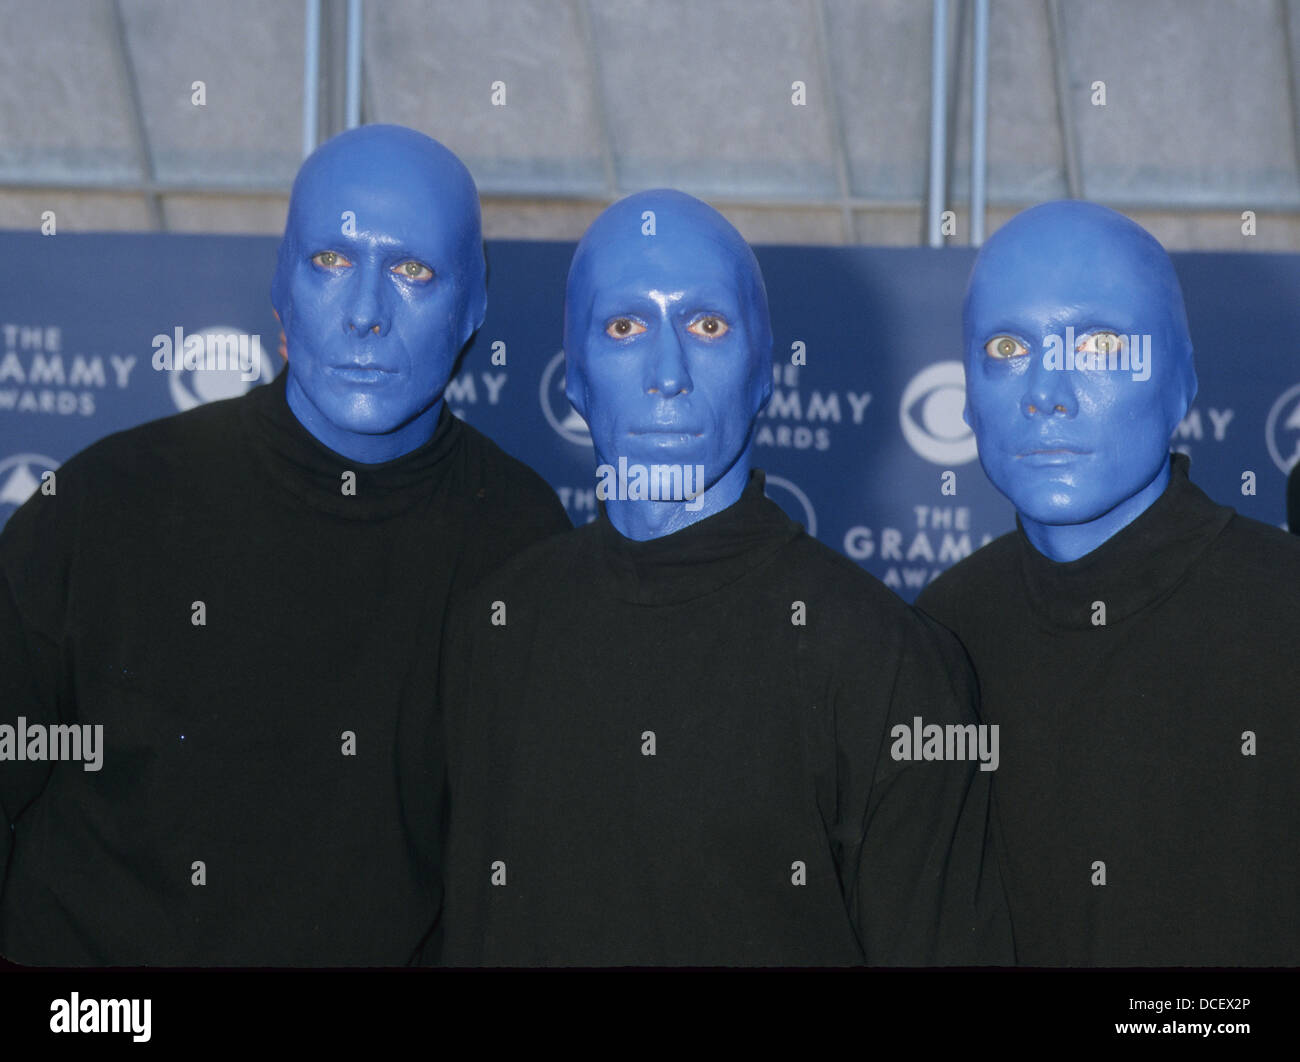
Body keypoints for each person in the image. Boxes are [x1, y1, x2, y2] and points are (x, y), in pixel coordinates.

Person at [0, 124, 569, 966]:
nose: (367, 313)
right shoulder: (98, 505)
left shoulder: (523, 541)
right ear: (279, 284)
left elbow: (526, 877)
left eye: (412, 271)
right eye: (332, 262)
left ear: (475, 305)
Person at [433, 189, 1013, 967]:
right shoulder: (496, 627)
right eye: (625, 326)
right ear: (573, 375)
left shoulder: (886, 662)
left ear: (763, 369)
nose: (667, 373)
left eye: (707, 326)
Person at [917, 200, 1300, 966]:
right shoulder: (940, 631)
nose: (1046, 393)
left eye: (1096, 345)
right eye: (1005, 345)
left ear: (1182, 378)